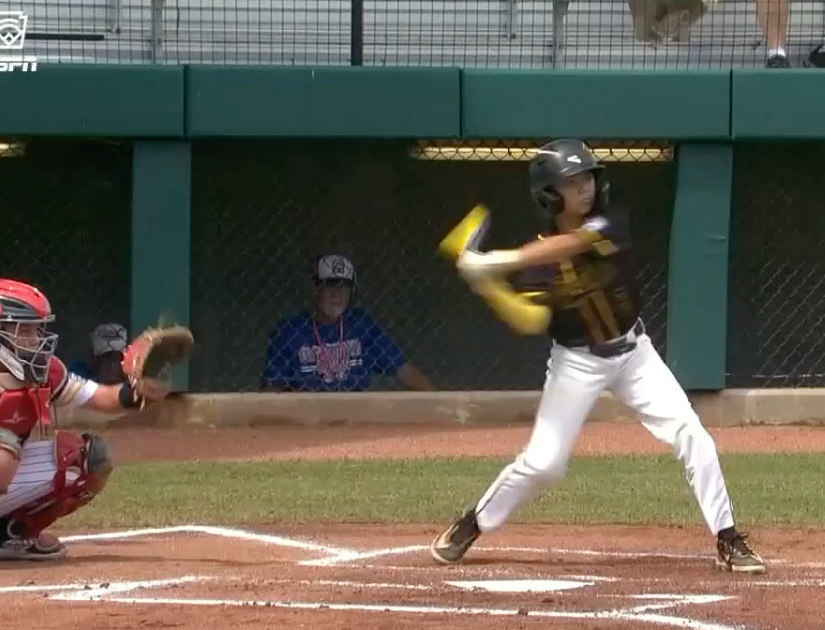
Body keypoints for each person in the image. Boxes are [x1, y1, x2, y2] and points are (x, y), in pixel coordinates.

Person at [429, 139, 766, 574]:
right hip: (576, 362)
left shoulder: (609, 222)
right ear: (550, 194)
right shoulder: (538, 262)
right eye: (572, 182)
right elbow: (531, 319)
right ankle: (473, 522)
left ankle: (728, 538)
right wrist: (487, 286)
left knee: (692, 434)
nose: (585, 188)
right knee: (544, 463)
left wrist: (492, 262)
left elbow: (571, 245)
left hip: (634, 354)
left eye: (587, 177)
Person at [0, 278, 176, 573]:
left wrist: (137, 392)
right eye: (24, 329)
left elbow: (98, 397)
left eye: (37, 328)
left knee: (87, 458)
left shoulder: (43, 373)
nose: (35, 337)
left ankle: (5, 537)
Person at [263, 254, 434, 392]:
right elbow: (273, 388)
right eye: (330, 286)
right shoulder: (289, 330)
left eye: (344, 287)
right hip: (308, 417)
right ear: (315, 289)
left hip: (356, 414)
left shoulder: (361, 325)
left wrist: (442, 406)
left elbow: (405, 370)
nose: (337, 294)